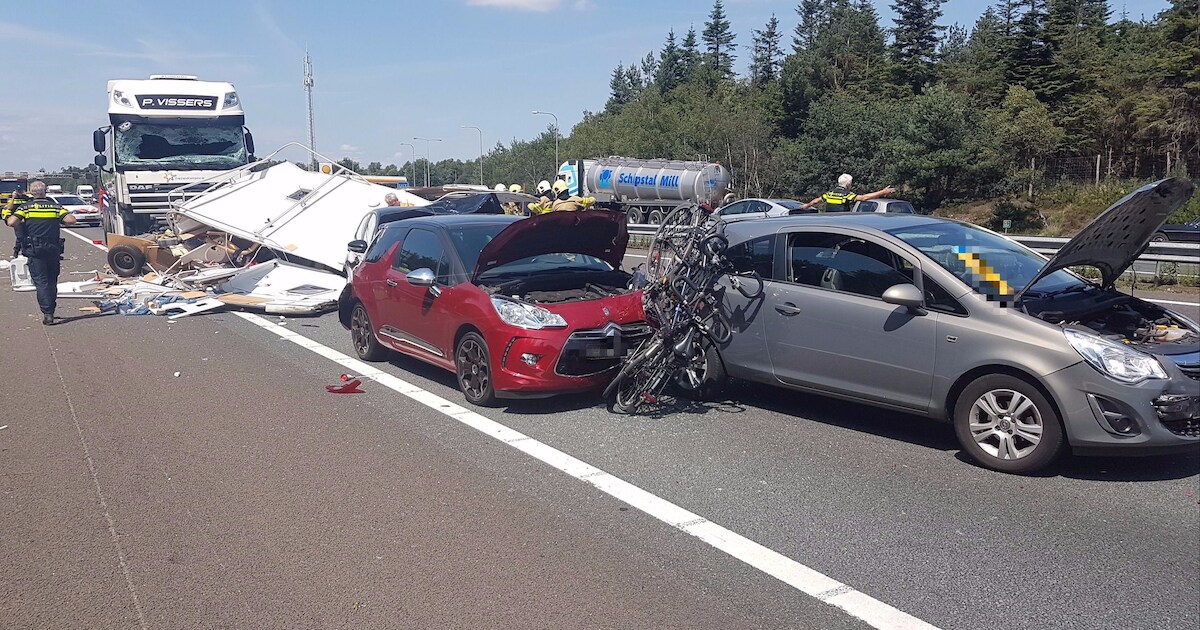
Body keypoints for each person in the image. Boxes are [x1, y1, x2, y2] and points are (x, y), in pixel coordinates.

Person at [5, 180, 76, 325]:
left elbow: (11, 222)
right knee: (52, 281)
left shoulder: (26, 208)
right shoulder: (54, 207)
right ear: (45, 192)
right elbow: (71, 220)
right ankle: (51, 308)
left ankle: (48, 312)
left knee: (41, 282)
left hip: (35, 249)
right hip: (53, 249)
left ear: (31, 192)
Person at [798, 174, 895, 212]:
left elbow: (816, 201)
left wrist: (806, 205)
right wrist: (883, 191)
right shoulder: (846, 195)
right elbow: (863, 198)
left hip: (829, 223)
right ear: (848, 184)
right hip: (842, 223)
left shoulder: (829, 194)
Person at [3, 188, 32, 258]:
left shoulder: (26, 198)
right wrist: (13, 197)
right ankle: (23, 251)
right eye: (18, 191)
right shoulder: (11, 198)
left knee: (22, 236)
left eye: (20, 191)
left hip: (25, 220)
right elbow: (9, 207)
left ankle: (17, 251)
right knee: (20, 236)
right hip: (16, 220)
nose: (20, 193)